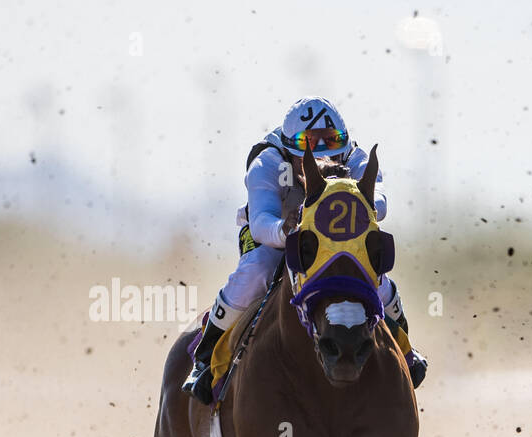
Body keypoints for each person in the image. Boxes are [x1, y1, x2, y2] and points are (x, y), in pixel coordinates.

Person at [183, 96, 427, 404]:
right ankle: (205, 356)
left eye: (330, 142)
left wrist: (343, 203)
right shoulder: (266, 162)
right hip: (276, 233)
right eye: (311, 144)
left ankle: (406, 351)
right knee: (258, 267)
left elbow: (380, 203)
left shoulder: (357, 157)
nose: (323, 155)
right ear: (290, 149)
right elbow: (260, 222)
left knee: (373, 275)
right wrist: (285, 229)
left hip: (334, 236)